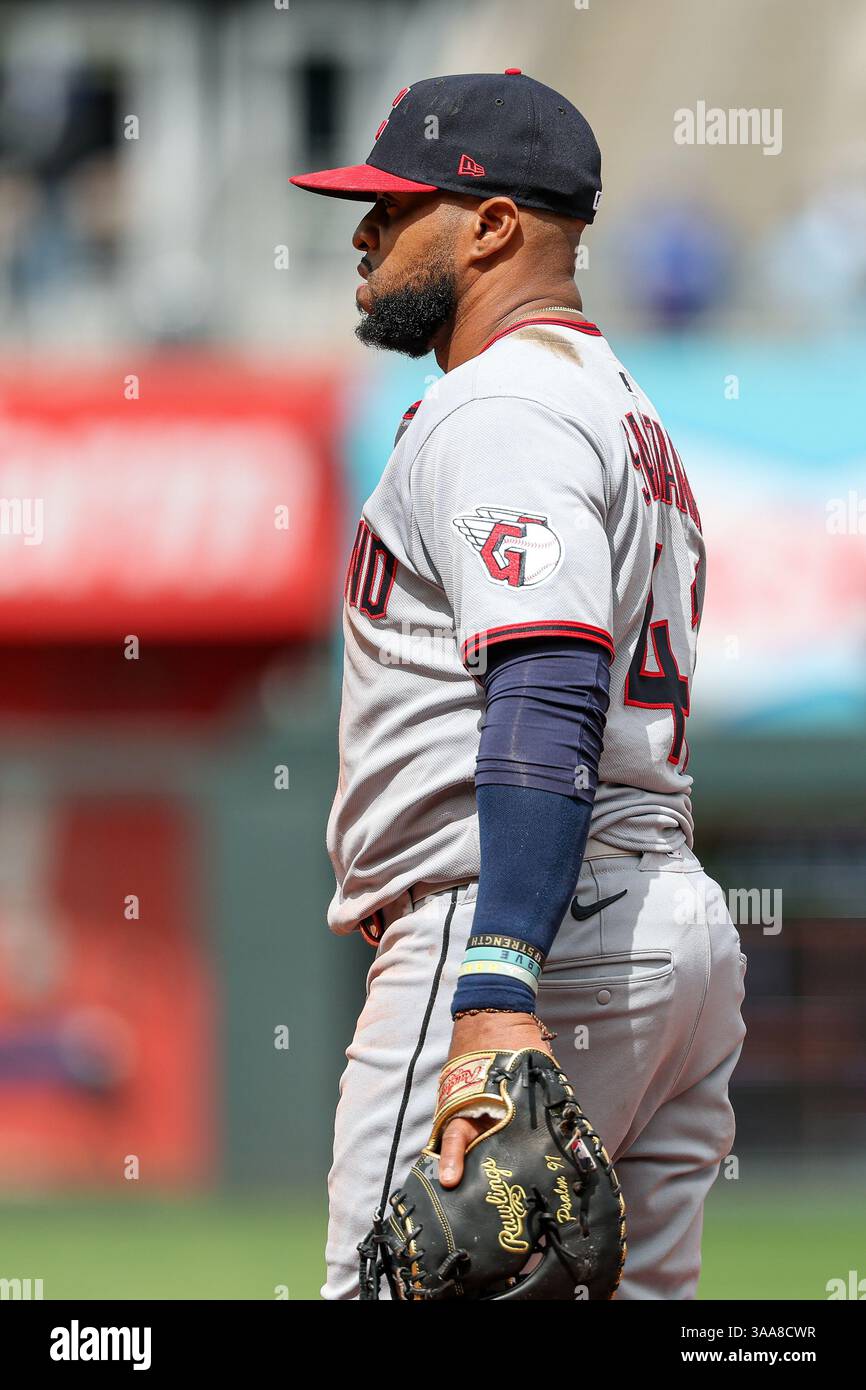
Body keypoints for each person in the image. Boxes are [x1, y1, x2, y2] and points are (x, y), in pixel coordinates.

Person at [290, 69, 746, 1301]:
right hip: (665, 922)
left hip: (518, 921)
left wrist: (496, 984)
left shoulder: (500, 402)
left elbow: (546, 681)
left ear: (491, 226)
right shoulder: (618, 407)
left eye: (396, 205)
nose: (362, 233)